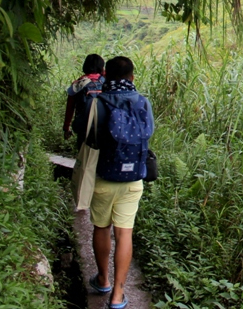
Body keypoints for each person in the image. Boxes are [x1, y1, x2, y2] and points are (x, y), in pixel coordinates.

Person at [88, 56, 154, 309]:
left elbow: (84, 132)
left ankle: (103, 280)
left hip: (103, 177)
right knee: (124, 233)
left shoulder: (98, 102)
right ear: (132, 77)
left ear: (106, 75)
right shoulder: (143, 102)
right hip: (133, 178)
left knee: (101, 227)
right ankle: (117, 295)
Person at [62, 53, 105, 148]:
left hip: (83, 125)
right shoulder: (106, 83)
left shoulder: (78, 84)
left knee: (83, 151)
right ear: (102, 68)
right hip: (103, 125)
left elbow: (70, 107)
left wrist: (66, 127)